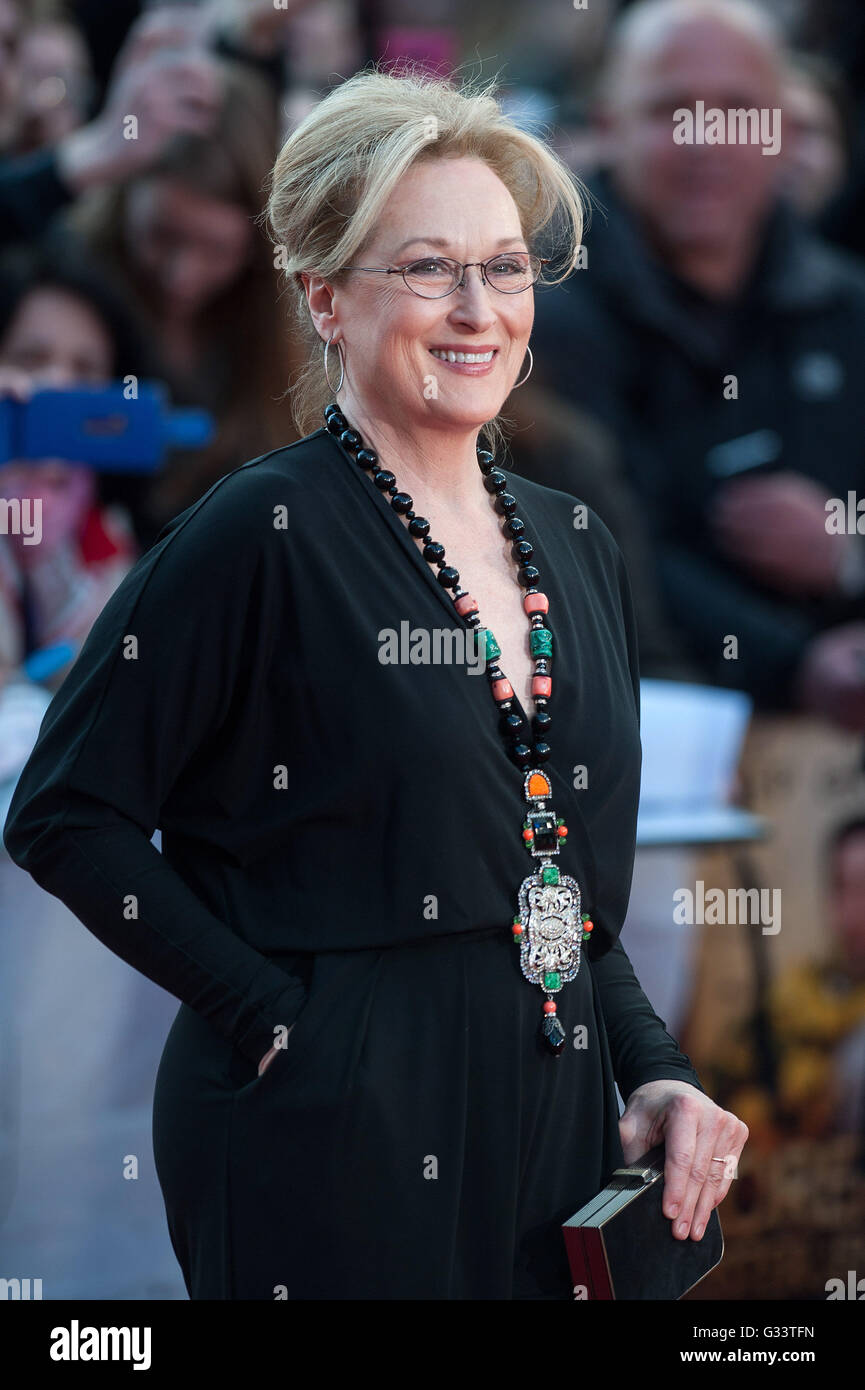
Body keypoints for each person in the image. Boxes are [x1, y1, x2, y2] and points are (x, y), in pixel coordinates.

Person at [2, 65, 747, 1301]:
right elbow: (63, 813)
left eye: (503, 267)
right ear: (324, 297)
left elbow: (560, 890)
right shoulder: (259, 532)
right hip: (330, 1131)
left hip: (550, 1117)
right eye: (427, 268)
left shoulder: (574, 540)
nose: (477, 309)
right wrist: (273, 1016)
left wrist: (653, 1066)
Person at [531, 0, 865, 730]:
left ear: (783, 133)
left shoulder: (848, 309)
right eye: (670, 109)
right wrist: (796, 664)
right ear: (607, 127)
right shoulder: (536, 320)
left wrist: (849, 556)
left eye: (738, 110)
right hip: (638, 745)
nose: (705, 140)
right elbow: (596, 553)